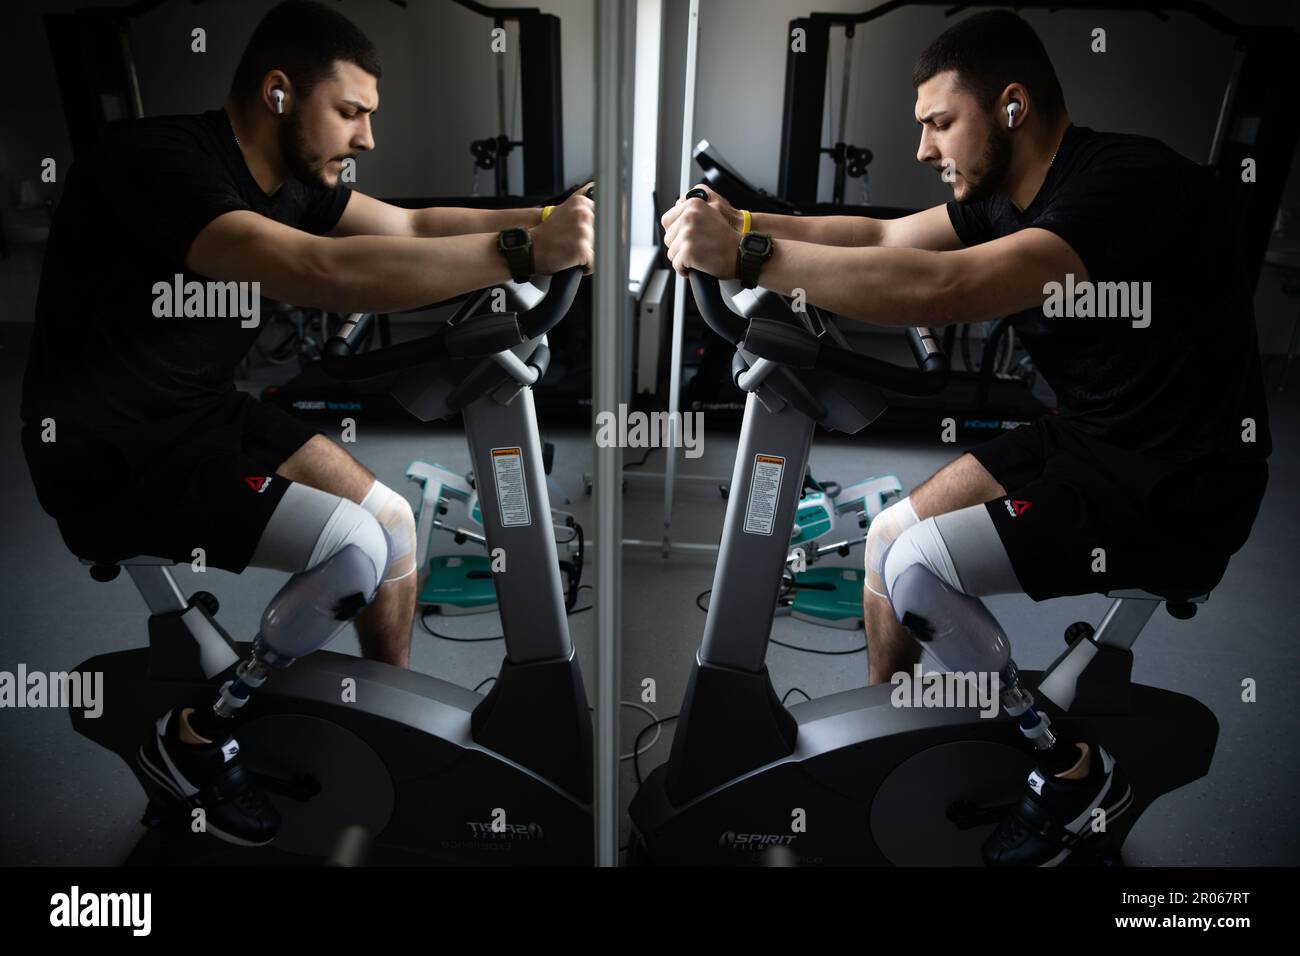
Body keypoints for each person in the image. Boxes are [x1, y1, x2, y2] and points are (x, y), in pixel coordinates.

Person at [661, 9, 1270, 865]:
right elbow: (879, 237)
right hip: (1095, 439)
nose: (922, 149)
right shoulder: (1009, 194)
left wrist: (747, 262)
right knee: (888, 538)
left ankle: (1075, 772)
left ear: (1012, 106)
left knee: (921, 571)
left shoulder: (1122, 187)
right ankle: (889, 746)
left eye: (939, 123)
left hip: (1177, 484)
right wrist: (747, 227)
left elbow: (948, 286)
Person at [20, 0, 594, 846]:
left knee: (393, 523)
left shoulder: (293, 181)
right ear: (280, 93)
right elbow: (312, 268)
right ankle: (190, 742)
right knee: (351, 551)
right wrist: (519, 256)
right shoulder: (156, 163)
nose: (365, 138)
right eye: (351, 112)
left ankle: (381, 728)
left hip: (198, 415)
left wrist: (545, 221)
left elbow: (409, 225)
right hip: (113, 452)